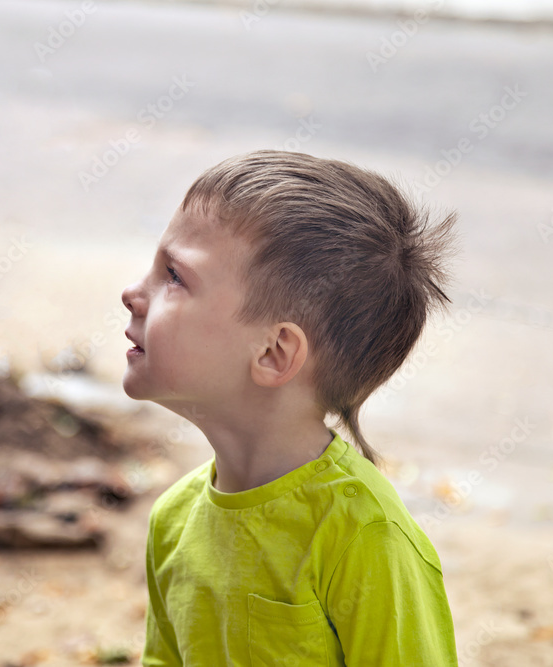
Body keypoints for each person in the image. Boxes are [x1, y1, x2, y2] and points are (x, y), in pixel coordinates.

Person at [121, 150, 459, 666]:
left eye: (174, 276)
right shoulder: (173, 521)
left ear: (274, 353)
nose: (132, 293)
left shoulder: (361, 537)